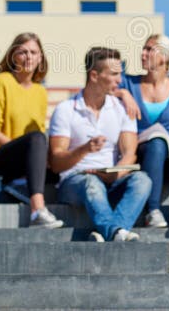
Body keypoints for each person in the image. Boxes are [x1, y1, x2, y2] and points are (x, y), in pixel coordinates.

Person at [49, 47, 152, 242]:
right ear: (94, 75)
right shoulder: (65, 110)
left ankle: (112, 231)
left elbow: (130, 153)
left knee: (142, 180)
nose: (119, 80)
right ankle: (115, 231)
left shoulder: (121, 108)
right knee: (91, 183)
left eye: (120, 74)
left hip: (111, 179)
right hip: (75, 181)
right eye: (113, 74)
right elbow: (56, 162)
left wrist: (116, 173)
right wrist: (84, 149)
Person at [0, 32, 63, 228]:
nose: (29, 57)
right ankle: (38, 210)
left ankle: (19, 188)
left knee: (62, 165)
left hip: (22, 161)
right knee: (38, 139)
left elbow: (38, 132)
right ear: (13, 56)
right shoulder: (0, 83)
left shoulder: (40, 91)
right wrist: (25, 152)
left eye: (33, 52)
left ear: (40, 58)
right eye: (23, 52)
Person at [118, 34, 169, 230]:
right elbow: (103, 90)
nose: (143, 53)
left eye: (150, 49)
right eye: (143, 49)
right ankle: (153, 210)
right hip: (141, 147)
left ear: (164, 57)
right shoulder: (128, 83)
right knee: (157, 143)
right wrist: (123, 94)